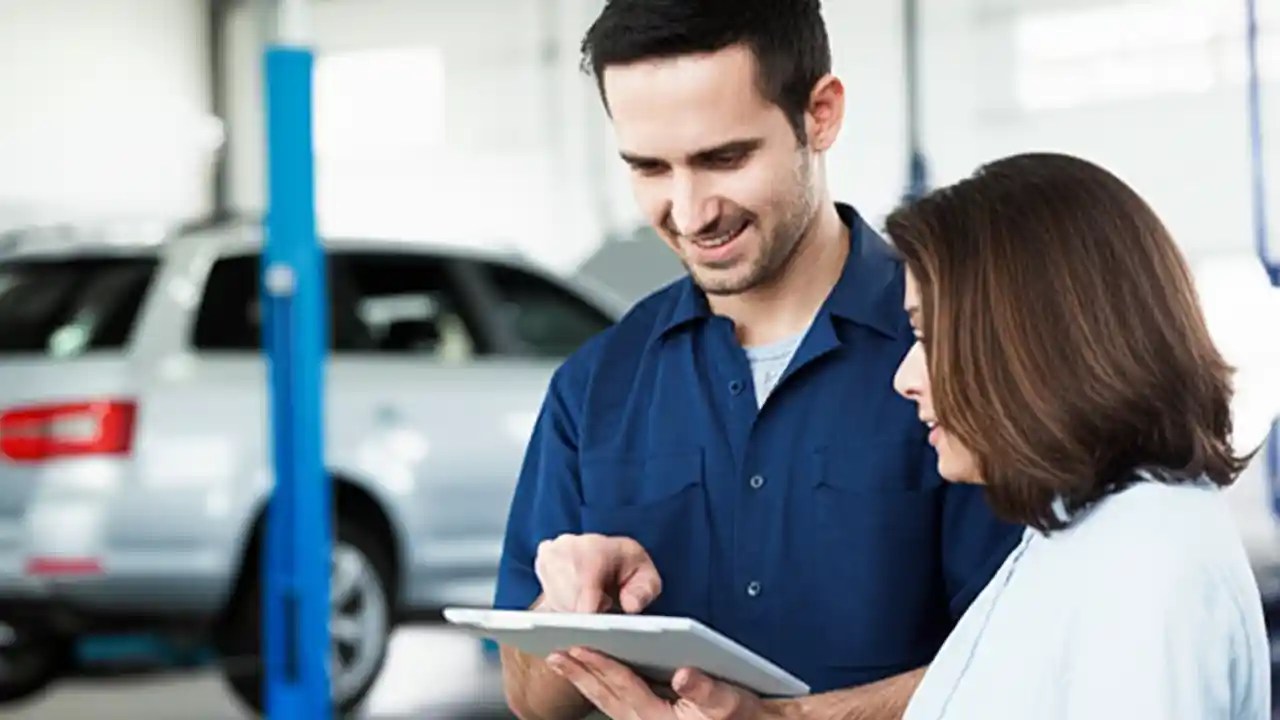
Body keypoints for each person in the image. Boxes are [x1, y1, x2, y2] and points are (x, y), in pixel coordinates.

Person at [492, 1, 1022, 718]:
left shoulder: (963, 354)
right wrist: (567, 607)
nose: (690, 211)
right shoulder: (595, 388)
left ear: (821, 114)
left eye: (724, 158)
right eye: (650, 167)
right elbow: (529, 700)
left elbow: (1028, 660)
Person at [886, 152, 1271, 719]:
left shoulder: (1146, 566)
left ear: (1033, 340)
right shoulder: (1081, 534)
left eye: (931, 336)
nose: (905, 379)